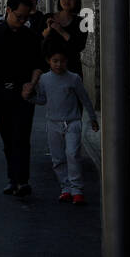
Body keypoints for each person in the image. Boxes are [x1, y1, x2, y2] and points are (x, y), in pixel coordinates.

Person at [0, 0, 44, 197]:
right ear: (8, 10)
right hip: (1, 92)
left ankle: (23, 181)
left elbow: (39, 65)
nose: (22, 20)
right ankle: (12, 178)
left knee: (22, 137)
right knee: (8, 138)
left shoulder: (32, 37)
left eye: (26, 17)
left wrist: (31, 84)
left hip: (24, 94)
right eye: (19, 16)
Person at [32, 38, 98, 203]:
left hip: (73, 122)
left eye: (61, 61)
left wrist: (92, 118)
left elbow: (85, 100)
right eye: (55, 61)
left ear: (67, 61)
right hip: (53, 123)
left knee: (72, 154)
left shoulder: (74, 78)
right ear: (49, 61)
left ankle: (77, 189)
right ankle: (65, 187)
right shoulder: (44, 79)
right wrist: (29, 97)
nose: (58, 65)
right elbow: (41, 100)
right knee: (58, 158)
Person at [42, 0, 88, 76]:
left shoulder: (82, 22)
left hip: (71, 68)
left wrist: (61, 31)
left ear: (76, 1)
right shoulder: (47, 17)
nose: (66, 1)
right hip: (49, 68)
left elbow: (79, 46)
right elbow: (39, 42)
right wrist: (47, 31)